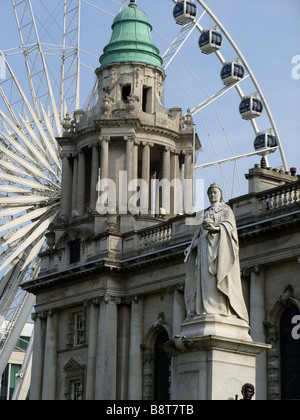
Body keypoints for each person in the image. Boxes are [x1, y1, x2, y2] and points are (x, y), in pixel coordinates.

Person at [184, 183, 249, 323]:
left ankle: (219, 309)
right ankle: (205, 309)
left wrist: (216, 229)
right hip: (204, 252)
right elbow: (199, 235)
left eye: (215, 193)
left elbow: (230, 227)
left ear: (220, 195)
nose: (212, 195)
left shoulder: (226, 210)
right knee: (205, 281)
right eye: (210, 193)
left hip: (219, 250)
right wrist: (192, 246)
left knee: (217, 278)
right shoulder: (205, 214)